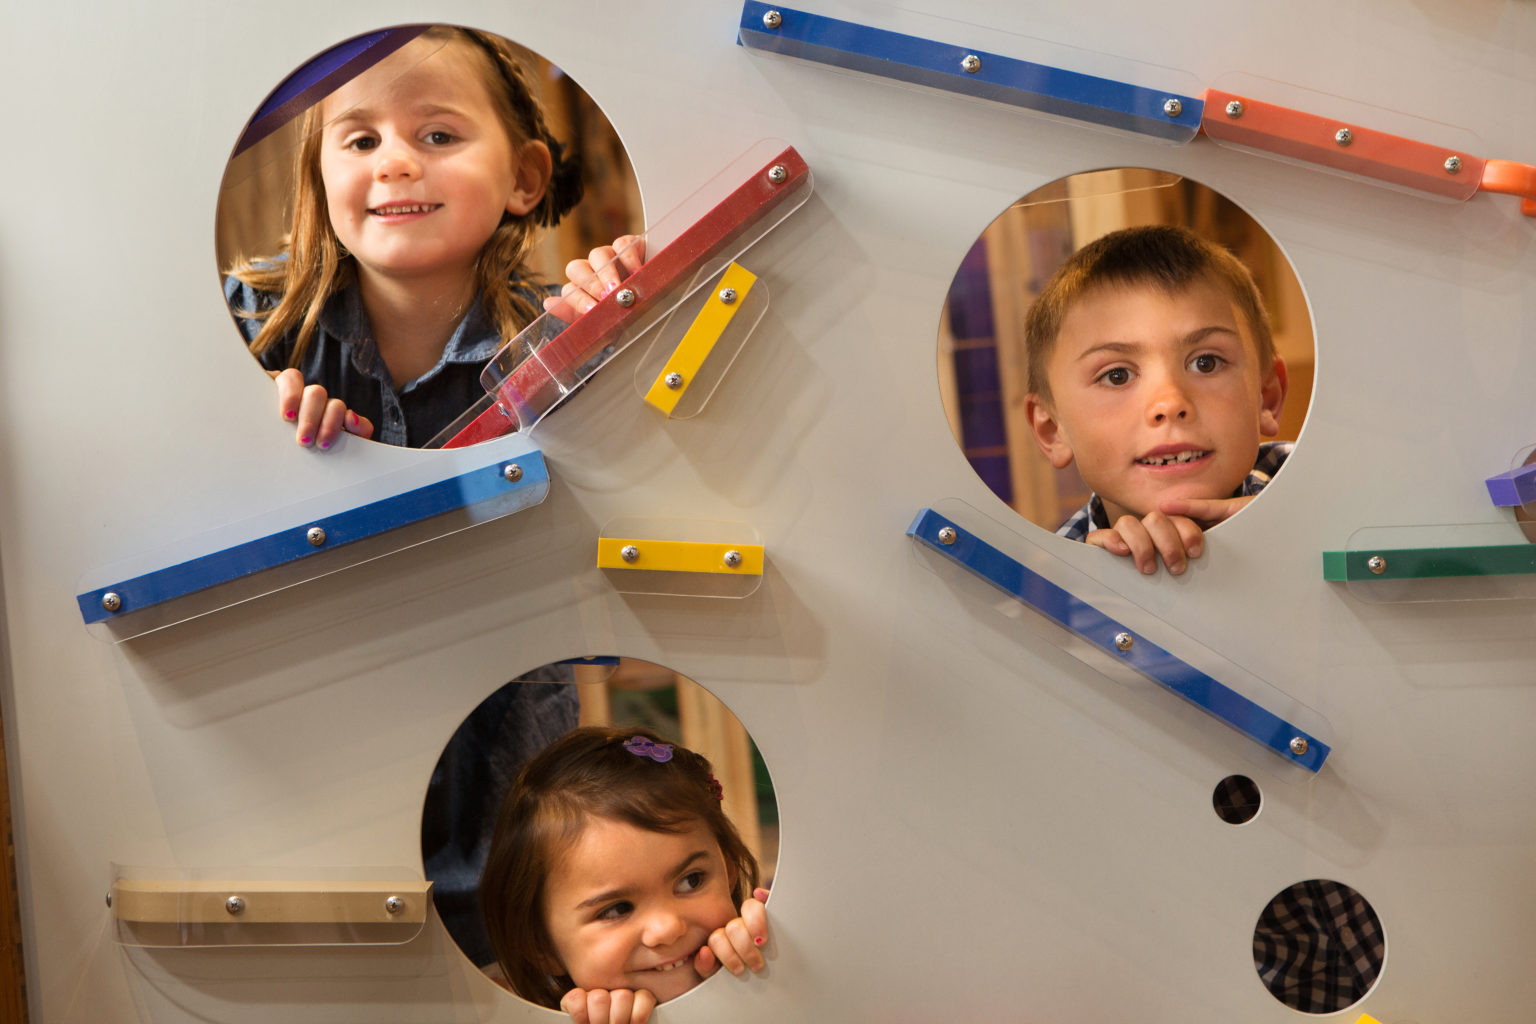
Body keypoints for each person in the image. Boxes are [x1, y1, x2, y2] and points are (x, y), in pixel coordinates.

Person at [224, 24, 642, 449]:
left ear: (522, 176)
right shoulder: (249, 317)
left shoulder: (561, 338)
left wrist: (636, 337)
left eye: (439, 135)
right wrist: (244, 423)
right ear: (319, 177)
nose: (394, 163)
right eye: (363, 141)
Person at [1023, 225, 1291, 575]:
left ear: (1266, 398)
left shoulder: (1331, 497)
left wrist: (1295, 540)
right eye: (1116, 375)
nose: (1169, 403)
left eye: (1205, 363)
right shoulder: (1054, 591)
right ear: (1052, 430)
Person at [481, 726, 770, 1024]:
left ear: (729, 867)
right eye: (617, 909)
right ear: (541, 946)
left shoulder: (774, 956)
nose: (667, 928)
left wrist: (784, 958)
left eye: (691, 880)